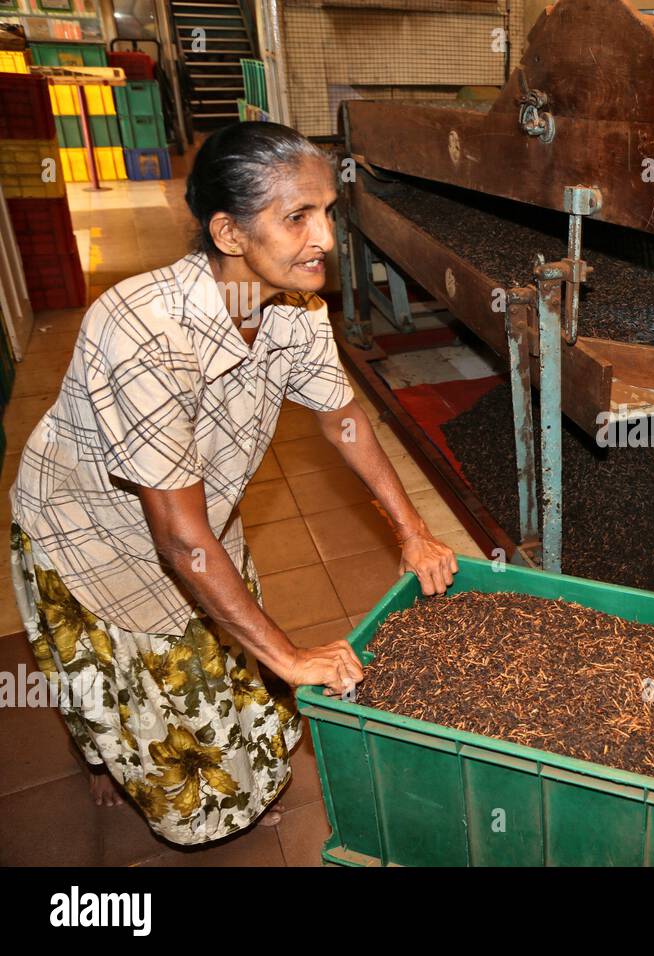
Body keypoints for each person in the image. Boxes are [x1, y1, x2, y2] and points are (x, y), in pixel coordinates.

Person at [8, 122, 458, 845]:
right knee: (133, 695)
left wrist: (411, 529)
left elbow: (342, 421)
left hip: (198, 521)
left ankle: (207, 760)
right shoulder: (144, 330)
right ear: (228, 232)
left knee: (230, 671)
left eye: (329, 214)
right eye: (297, 218)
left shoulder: (296, 310)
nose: (325, 240)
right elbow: (175, 538)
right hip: (94, 534)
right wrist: (289, 655)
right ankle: (103, 755)